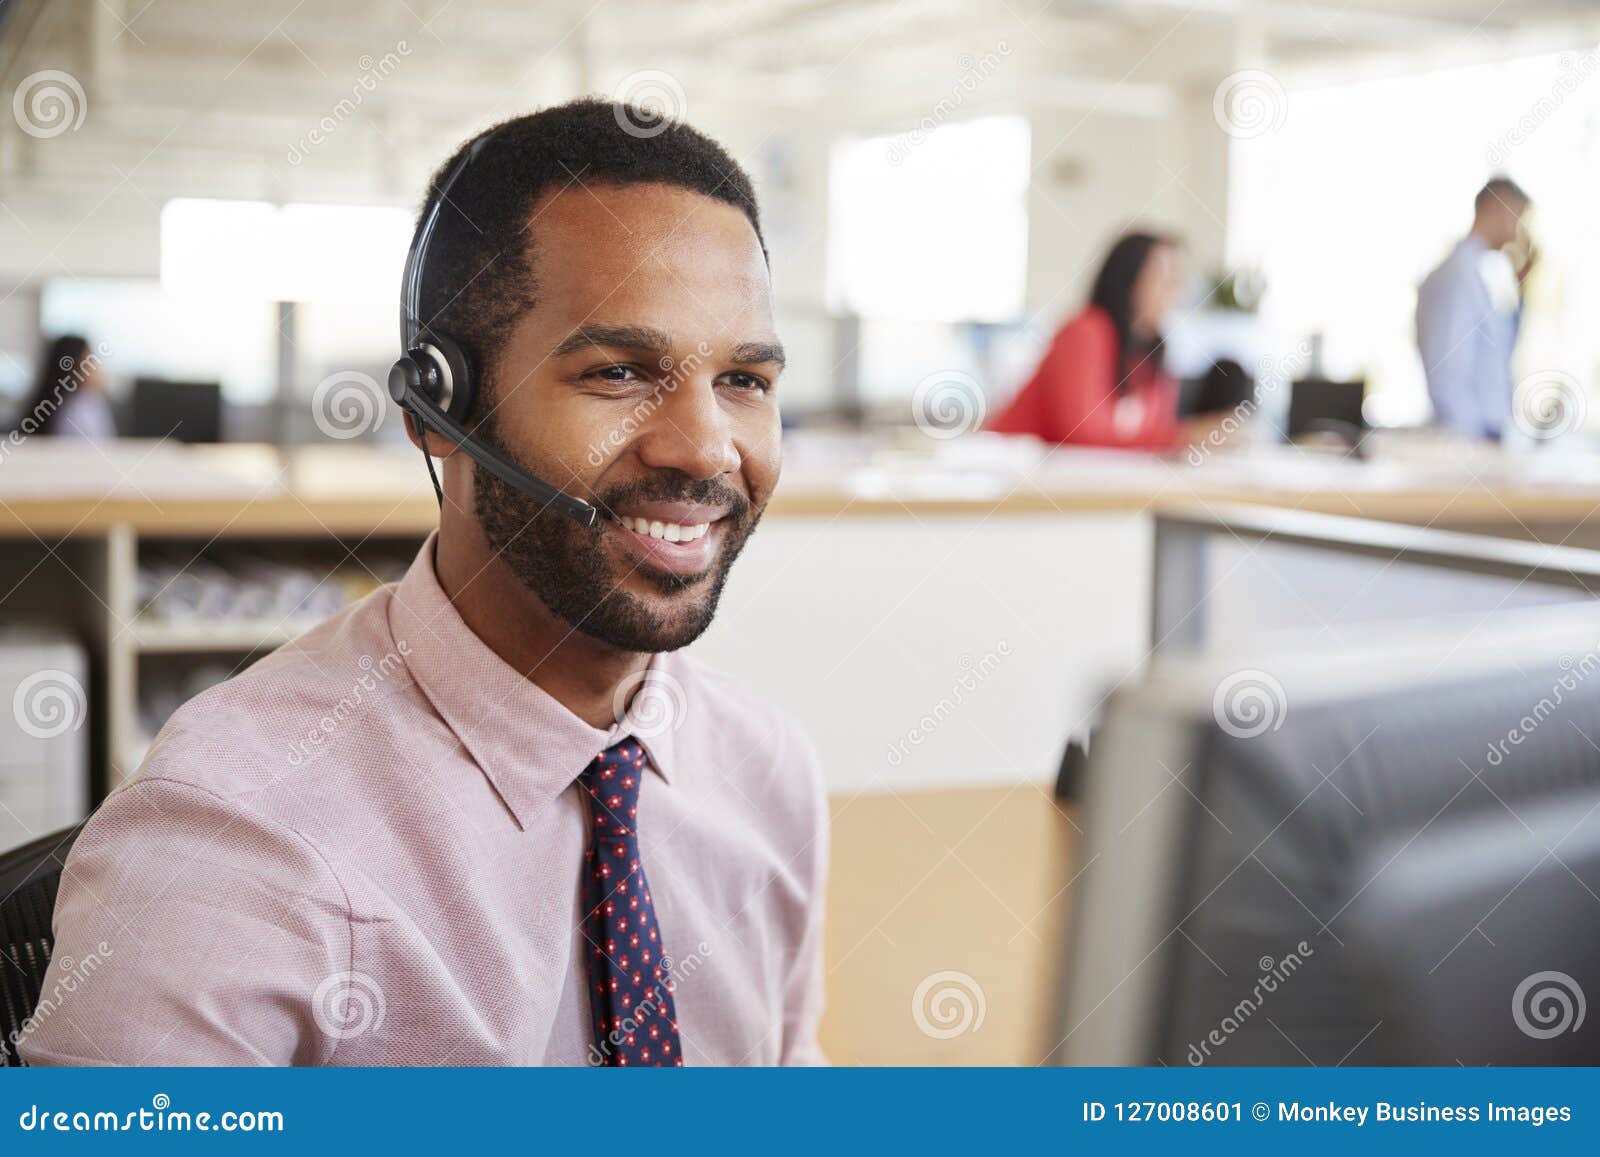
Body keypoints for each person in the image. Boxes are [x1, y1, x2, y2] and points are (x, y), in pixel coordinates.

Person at [21, 100, 827, 1067]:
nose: (704, 447)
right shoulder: (226, 844)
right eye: (619, 372)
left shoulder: (769, 773)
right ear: (438, 407)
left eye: (745, 380)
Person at [989, 231, 1221, 451]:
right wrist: (1182, 438)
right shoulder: (1086, 330)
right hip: (1008, 469)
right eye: (1163, 277)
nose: (1174, 289)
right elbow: (1081, 434)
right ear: (1129, 280)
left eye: (1178, 278)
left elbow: (1156, 429)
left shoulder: (1153, 351)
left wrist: (1184, 437)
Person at [1416, 177, 1535, 440]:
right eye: (1517, 217)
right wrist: (1476, 443)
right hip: (1470, 439)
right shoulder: (1458, 276)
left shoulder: (1478, 273)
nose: (1518, 231)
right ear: (1496, 207)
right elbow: (1448, 371)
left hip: (1481, 436)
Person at [11, 333, 116, 439]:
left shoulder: (92, 401)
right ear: (76, 369)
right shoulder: (78, 411)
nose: (98, 369)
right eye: (91, 362)